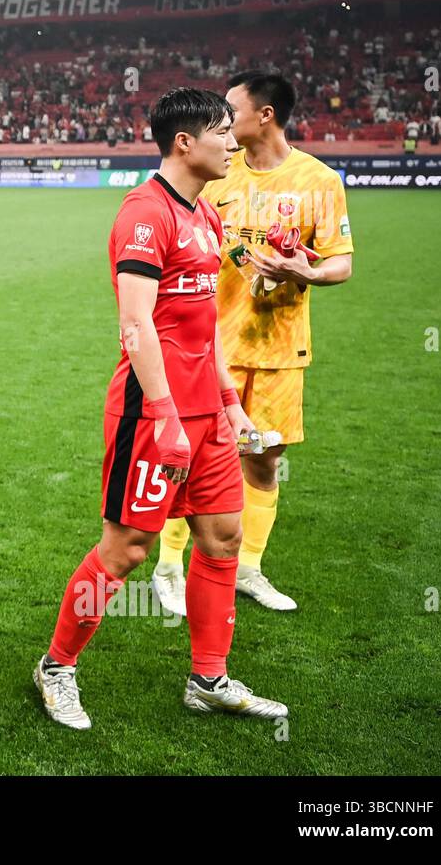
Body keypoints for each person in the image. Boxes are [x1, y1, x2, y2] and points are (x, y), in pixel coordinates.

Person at [34, 88, 287, 730]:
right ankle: (56, 667)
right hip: (152, 415)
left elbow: (205, 328)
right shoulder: (145, 213)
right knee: (127, 549)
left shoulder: (206, 216)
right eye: (222, 132)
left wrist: (229, 406)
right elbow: (136, 325)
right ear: (185, 141)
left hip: (207, 417)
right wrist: (168, 416)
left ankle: (209, 679)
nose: (232, 144)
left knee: (223, 536)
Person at [154, 72, 354, 613]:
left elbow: (341, 263)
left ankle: (248, 568)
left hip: (279, 347)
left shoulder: (318, 181)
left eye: (231, 109)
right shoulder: (216, 172)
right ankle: (168, 566)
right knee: (191, 458)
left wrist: (305, 272)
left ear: (265, 115)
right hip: (210, 345)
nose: (222, 119)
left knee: (264, 460)